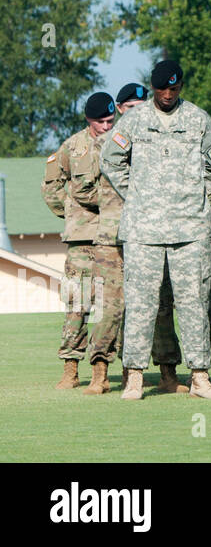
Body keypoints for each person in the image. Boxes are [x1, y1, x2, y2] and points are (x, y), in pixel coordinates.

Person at [100, 60, 211, 400]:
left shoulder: (198, 119)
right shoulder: (135, 119)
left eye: (174, 88)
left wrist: (202, 195)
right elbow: (110, 159)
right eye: (162, 88)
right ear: (153, 87)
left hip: (190, 227)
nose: (168, 94)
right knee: (141, 304)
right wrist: (136, 195)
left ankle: (200, 376)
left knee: (194, 302)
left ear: (181, 87)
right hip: (144, 228)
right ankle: (135, 378)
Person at [77, 85, 188, 394]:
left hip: (152, 235)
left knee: (160, 307)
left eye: (142, 105)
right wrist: (114, 206)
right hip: (113, 238)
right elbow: (81, 189)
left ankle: (167, 374)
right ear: (119, 109)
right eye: (130, 107)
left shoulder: (160, 141)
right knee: (109, 307)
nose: (137, 111)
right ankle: (100, 373)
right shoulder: (101, 145)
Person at [42, 92, 117, 390]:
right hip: (81, 238)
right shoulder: (71, 147)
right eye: (101, 121)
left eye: (111, 120)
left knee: (109, 305)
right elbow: (51, 187)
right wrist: (72, 213)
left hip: (114, 236)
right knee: (77, 301)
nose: (107, 126)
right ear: (89, 120)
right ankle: (70, 367)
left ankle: (101, 370)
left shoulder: (123, 143)